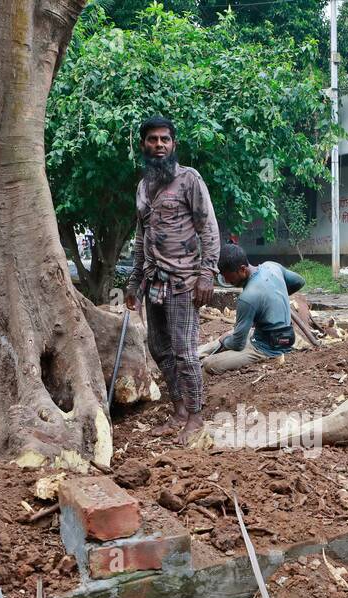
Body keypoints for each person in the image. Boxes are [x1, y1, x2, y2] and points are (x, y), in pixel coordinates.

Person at [123, 116, 220, 443]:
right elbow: (141, 237)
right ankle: (178, 409)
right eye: (153, 140)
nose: (160, 145)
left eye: (165, 139)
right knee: (159, 347)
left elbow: (208, 229)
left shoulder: (189, 180)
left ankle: (196, 416)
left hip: (184, 282)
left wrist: (207, 273)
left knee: (184, 351)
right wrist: (134, 280)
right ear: (144, 145)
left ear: (174, 145)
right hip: (154, 282)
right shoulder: (143, 187)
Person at [201, 244, 304, 374]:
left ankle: (193, 358)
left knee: (209, 363)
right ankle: (192, 355)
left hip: (267, 348)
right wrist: (276, 296)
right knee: (225, 338)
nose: (226, 280)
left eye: (228, 276)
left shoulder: (248, 297)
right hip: (286, 337)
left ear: (242, 269)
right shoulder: (272, 266)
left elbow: (237, 344)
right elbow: (299, 281)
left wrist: (226, 341)